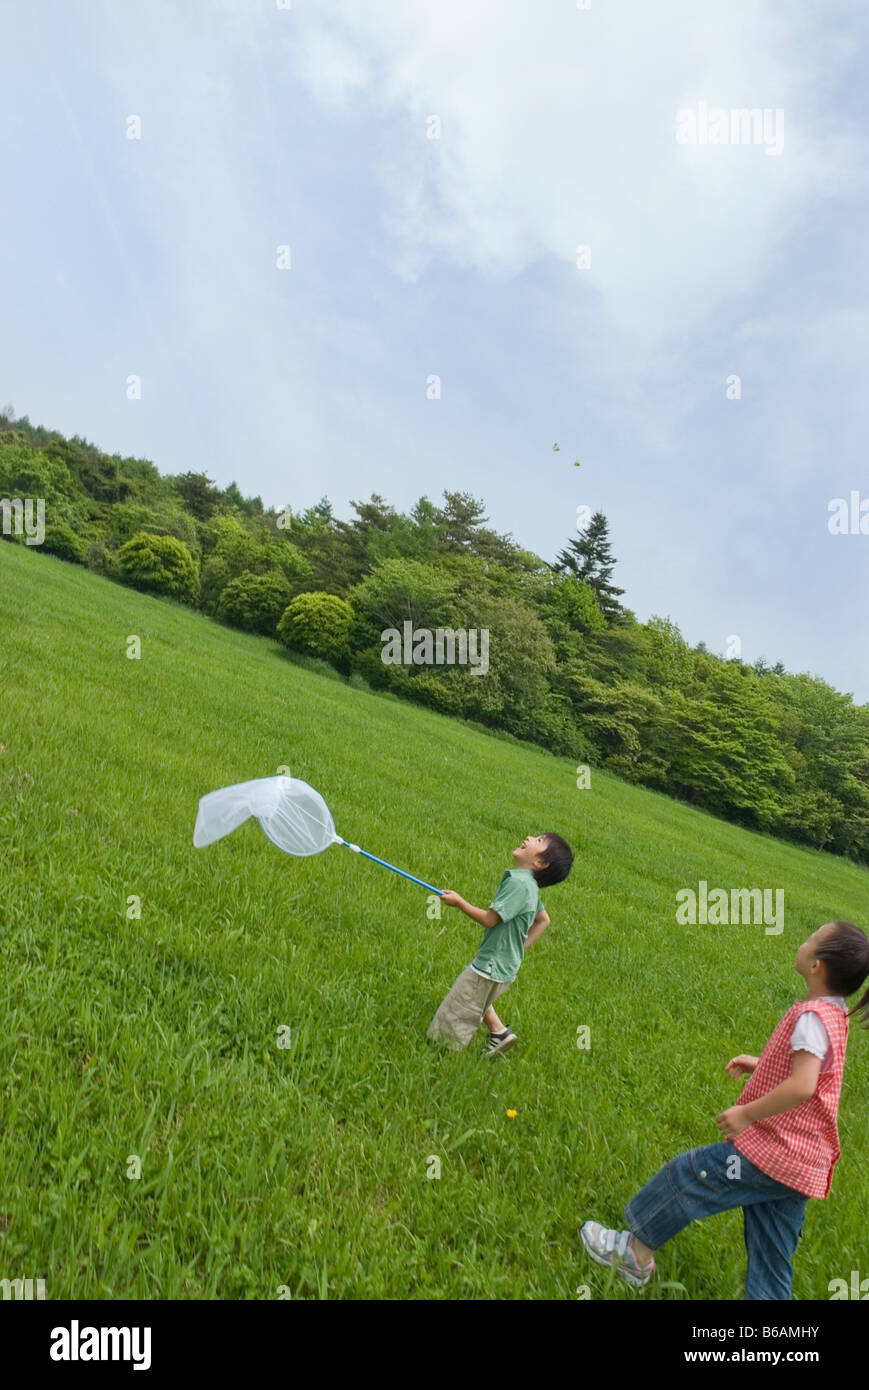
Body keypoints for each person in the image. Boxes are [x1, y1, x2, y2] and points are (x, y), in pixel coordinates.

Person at [580, 920, 869, 1299]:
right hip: (800, 1166)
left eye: (811, 939)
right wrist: (763, 1064)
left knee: (692, 1175)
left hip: (776, 1152)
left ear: (817, 966)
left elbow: (802, 1085)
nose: (803, 941)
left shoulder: (813, 1017)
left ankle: (634, 1255)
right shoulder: (833, 1013)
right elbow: (810, 1066)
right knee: (772, 1252)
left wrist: (747, 1114)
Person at [427, 832, 573, 1056]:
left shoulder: (519, 883)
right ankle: (499, 1033)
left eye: (539, 841)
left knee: (463, 1004)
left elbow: (489, 919)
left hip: (491, 965)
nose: (529, 837)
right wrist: (518, 950)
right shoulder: (530, 887)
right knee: (478, 997)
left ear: (540, 862)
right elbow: (544, 920)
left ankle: (442, 1050)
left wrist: (460, 903)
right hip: (504, 965)